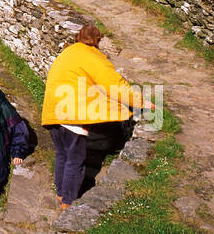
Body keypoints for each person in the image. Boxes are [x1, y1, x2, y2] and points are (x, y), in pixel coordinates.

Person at [42, 24, 147, 208]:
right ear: (97, 40)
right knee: (75, 160)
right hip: (71, 116)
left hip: (53, 112)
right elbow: (114, 84)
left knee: (62, 155)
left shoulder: (69, 52)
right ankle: (68, 203)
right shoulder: (92, 57)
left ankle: (60, 194)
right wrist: (141, 102)